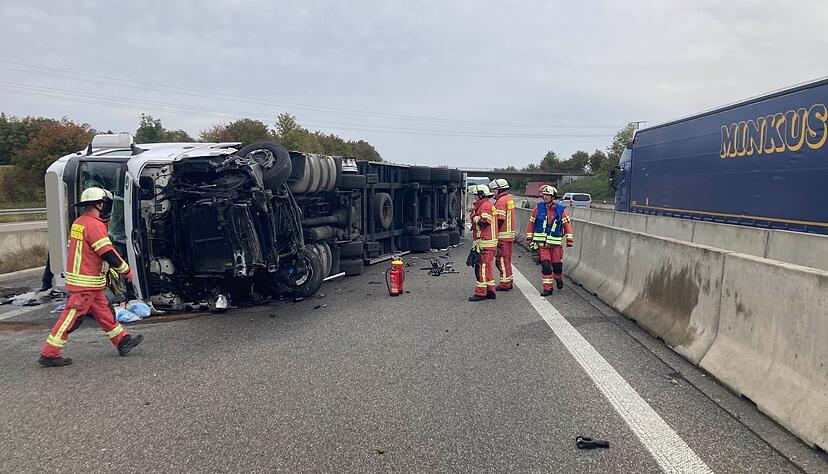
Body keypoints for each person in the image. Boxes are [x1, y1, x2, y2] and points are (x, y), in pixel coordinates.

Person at [38, 187, 143, 367]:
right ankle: (49, 353)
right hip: (85, 284)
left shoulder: (80, 222)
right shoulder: (94, 225)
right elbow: (107, 253)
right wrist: (126, 270)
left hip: (90, 282)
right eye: (107, 204)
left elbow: (89, 254)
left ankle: (122, 340)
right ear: (100, 204)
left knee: (105, 314)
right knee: (70, 318)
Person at [525, 185, 573, 296]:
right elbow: (531, 224)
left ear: (553, 197)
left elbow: (567, 225)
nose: (545, 197)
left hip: (555, 245)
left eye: (548, 195)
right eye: (544, 195)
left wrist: (569, 240)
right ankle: (548, 289)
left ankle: (558, 279)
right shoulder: (538, 209)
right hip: (542, 245)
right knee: (546, 267)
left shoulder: (560, 210)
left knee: (557, 267)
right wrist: (529, 238)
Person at [469, 185, 498, 302]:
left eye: (476, 195)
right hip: (488, 242)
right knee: (488, 267)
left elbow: (484, 222)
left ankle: (481, 293)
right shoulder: (487, 205)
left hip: (485, 242)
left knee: (482, 267)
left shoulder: (485, 206)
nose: (475, 198)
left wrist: (474, 217)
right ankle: (491, 291)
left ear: (481, 195)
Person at [489, 178, 516, 291]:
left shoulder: (500, 202)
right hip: (509, 236)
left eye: (494, 190)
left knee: (501, 260)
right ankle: (509, 280)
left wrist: (493, 233)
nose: (493, 193)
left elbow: (499, 220)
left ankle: (505, 284)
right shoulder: (509, 199)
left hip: (502, 236)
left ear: (499, 190)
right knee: (507, 260)